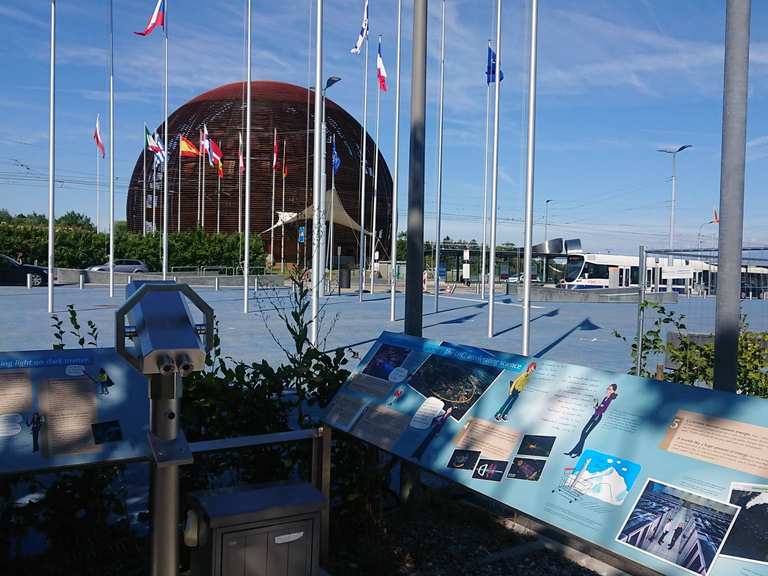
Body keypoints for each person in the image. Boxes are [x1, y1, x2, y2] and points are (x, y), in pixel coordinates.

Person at [564, 383, 618, 458]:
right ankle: (576, 452)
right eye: (608, 388)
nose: (608, 390)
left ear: (613, 391)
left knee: (585, 433)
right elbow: (599, 408)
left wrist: (599, 407)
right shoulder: (606, 397)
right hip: (595, 415)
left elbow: (603, 409)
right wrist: (596, 405)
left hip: (597, 416)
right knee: (584, 433)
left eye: (610, 389)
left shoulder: (610, 398)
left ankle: (575, 452)